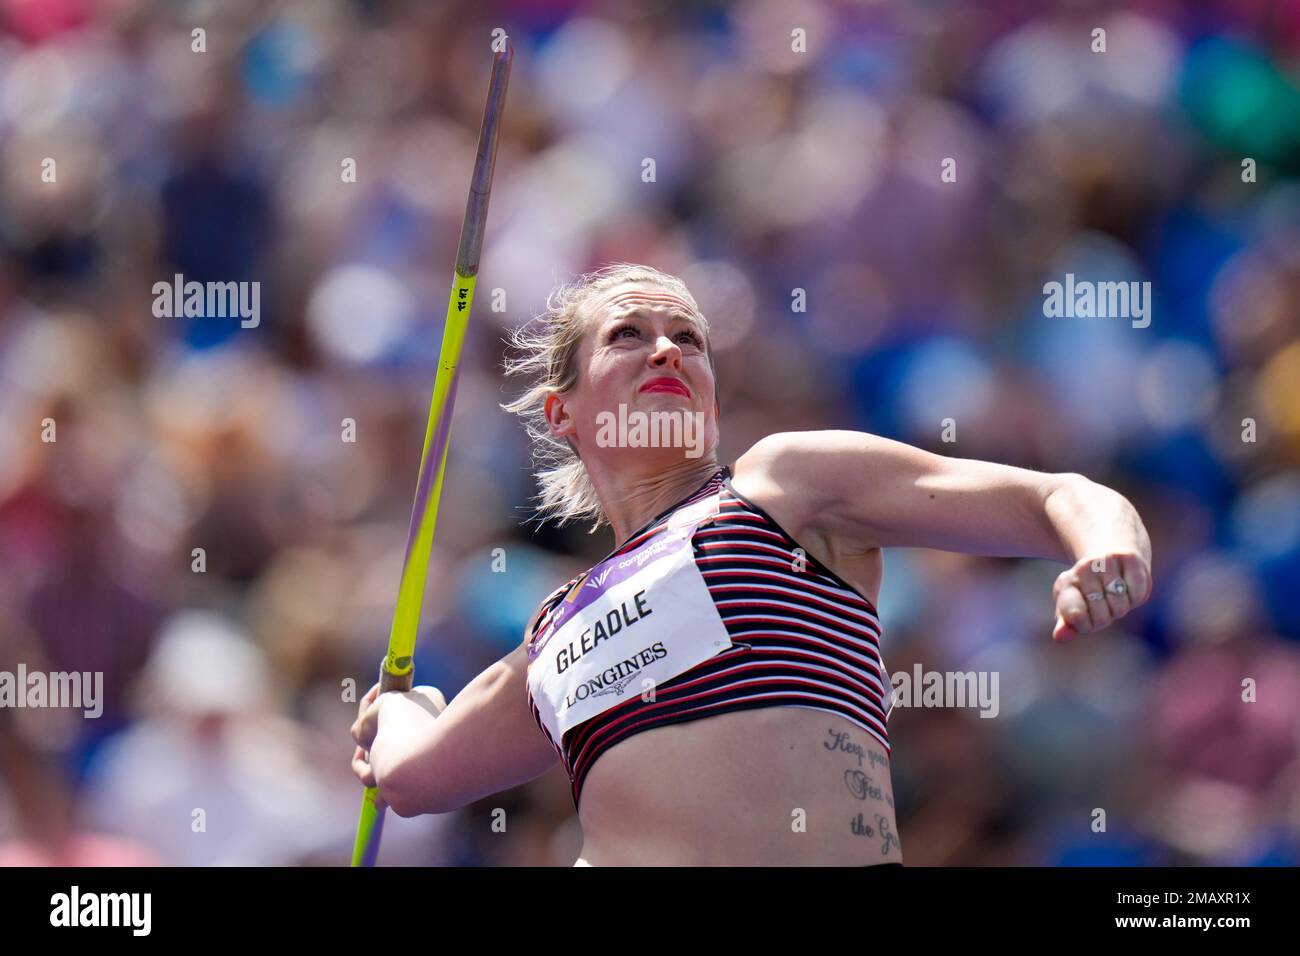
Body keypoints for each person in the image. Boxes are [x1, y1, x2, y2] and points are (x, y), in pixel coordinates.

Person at [350, 262, 1153, 866]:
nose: (667, 349)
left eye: (689, 339)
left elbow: (1057, 495)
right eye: (629, 334)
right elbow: (413, 778)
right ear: (564, 412)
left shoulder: (781, 486)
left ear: (709, 398)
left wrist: (1107, 548)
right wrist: (397, 708)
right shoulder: (555, 627)